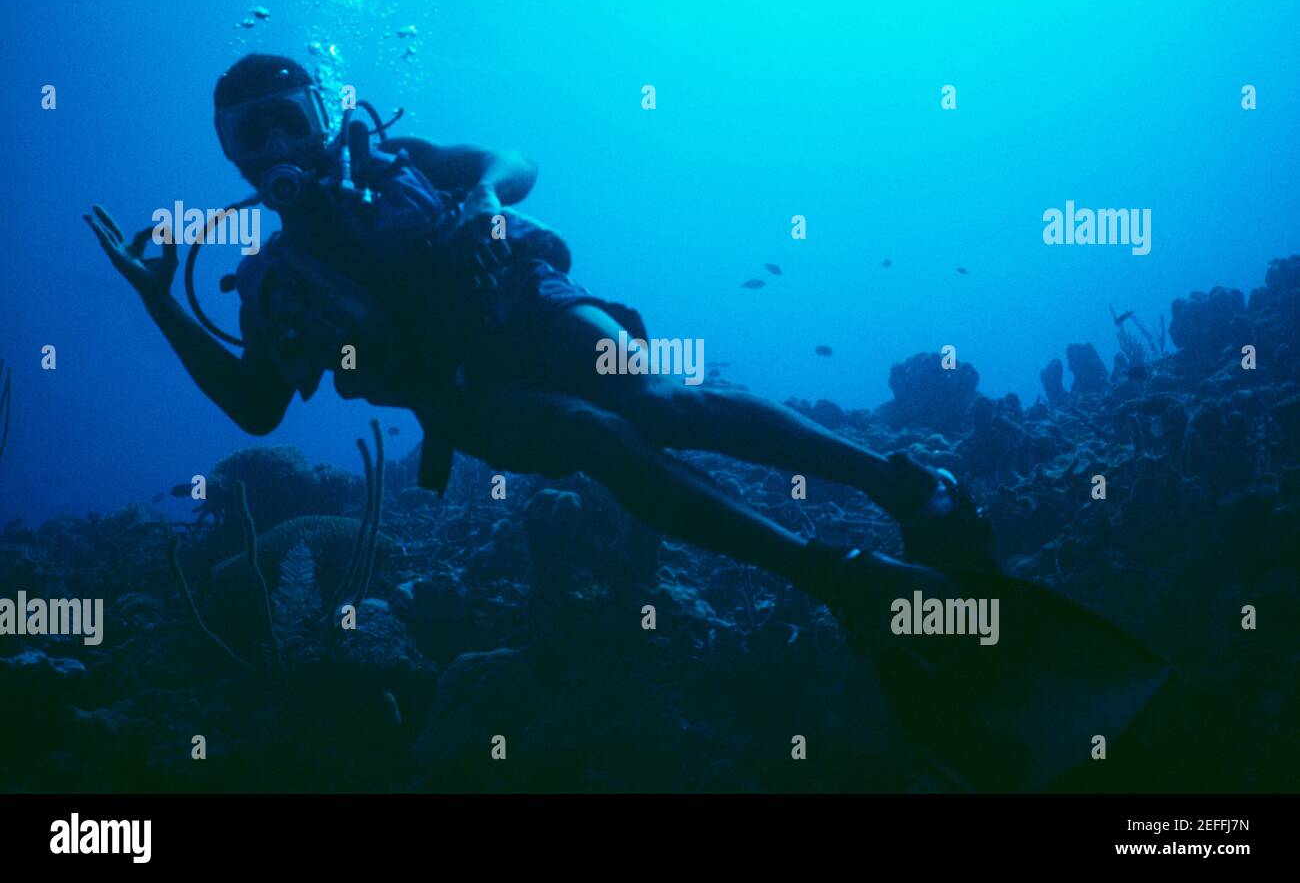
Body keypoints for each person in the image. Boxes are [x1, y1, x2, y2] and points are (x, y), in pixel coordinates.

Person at [84, 53, 995, 648]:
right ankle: (840, 579)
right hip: (463, 397)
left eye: (289, 116)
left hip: (530, 305)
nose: (278, 142)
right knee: (601, 443)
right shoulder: (273, 280)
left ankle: (910, 487)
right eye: (254, 133)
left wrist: (481, 204)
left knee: (658, 406)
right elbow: (257, 407)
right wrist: (158, 302)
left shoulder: (397, 158)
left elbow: (515, 162)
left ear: (320, 115)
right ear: (235, 158)